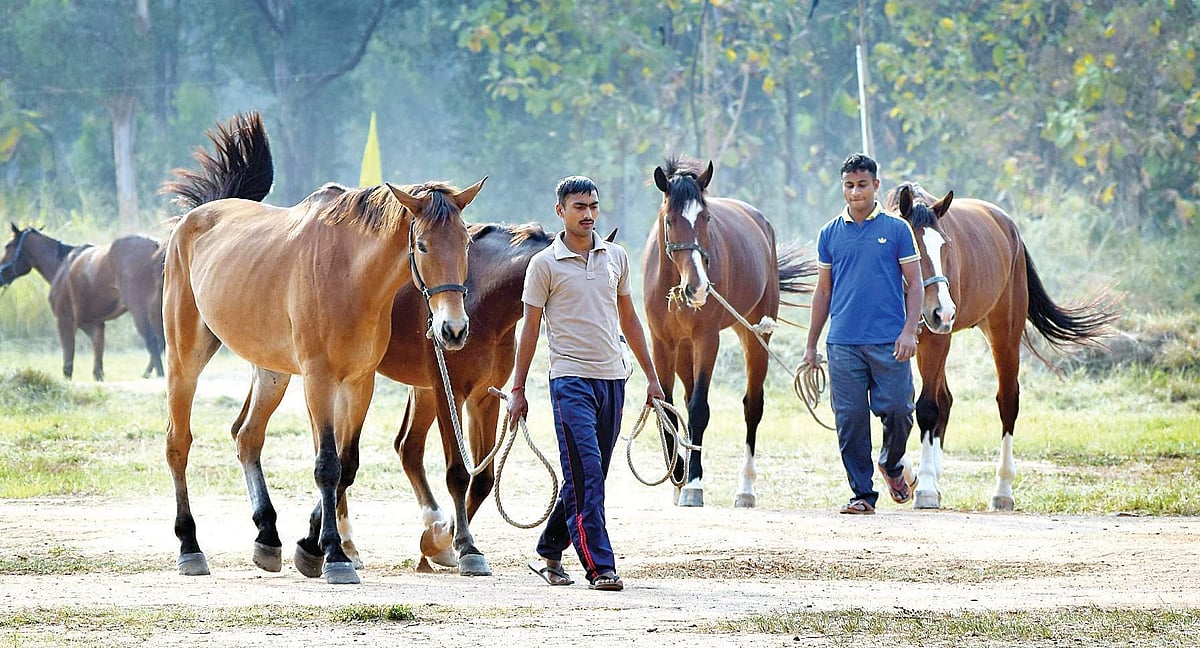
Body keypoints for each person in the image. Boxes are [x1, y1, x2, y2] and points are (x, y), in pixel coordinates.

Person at [507, 175, 665, 591]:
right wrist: (517, 390)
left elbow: (630, 319)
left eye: (593, 205)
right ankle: (600, 567)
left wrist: (652, 377)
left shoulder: (617, 257)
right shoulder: (543, 265)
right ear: (560, 211)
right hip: (570, 381)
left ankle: (548, 548)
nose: (589, 214)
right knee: (588, 475)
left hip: (613, 380)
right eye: (579, 207)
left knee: (587, 476)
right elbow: (529, 329)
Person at [800, 153, 922, 515]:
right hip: (843, 345)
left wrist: (909, 332)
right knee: (850, 422)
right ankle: (862, 495)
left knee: (900, 410)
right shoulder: (829, 234)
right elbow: (823, 292)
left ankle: (891, 462)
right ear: (843, 187)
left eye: (862, 185)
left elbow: (914, 285)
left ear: (876, 186)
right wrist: (811, 345)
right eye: (849, 186)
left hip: (890, 342)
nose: (856, 193)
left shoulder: (897, 231)